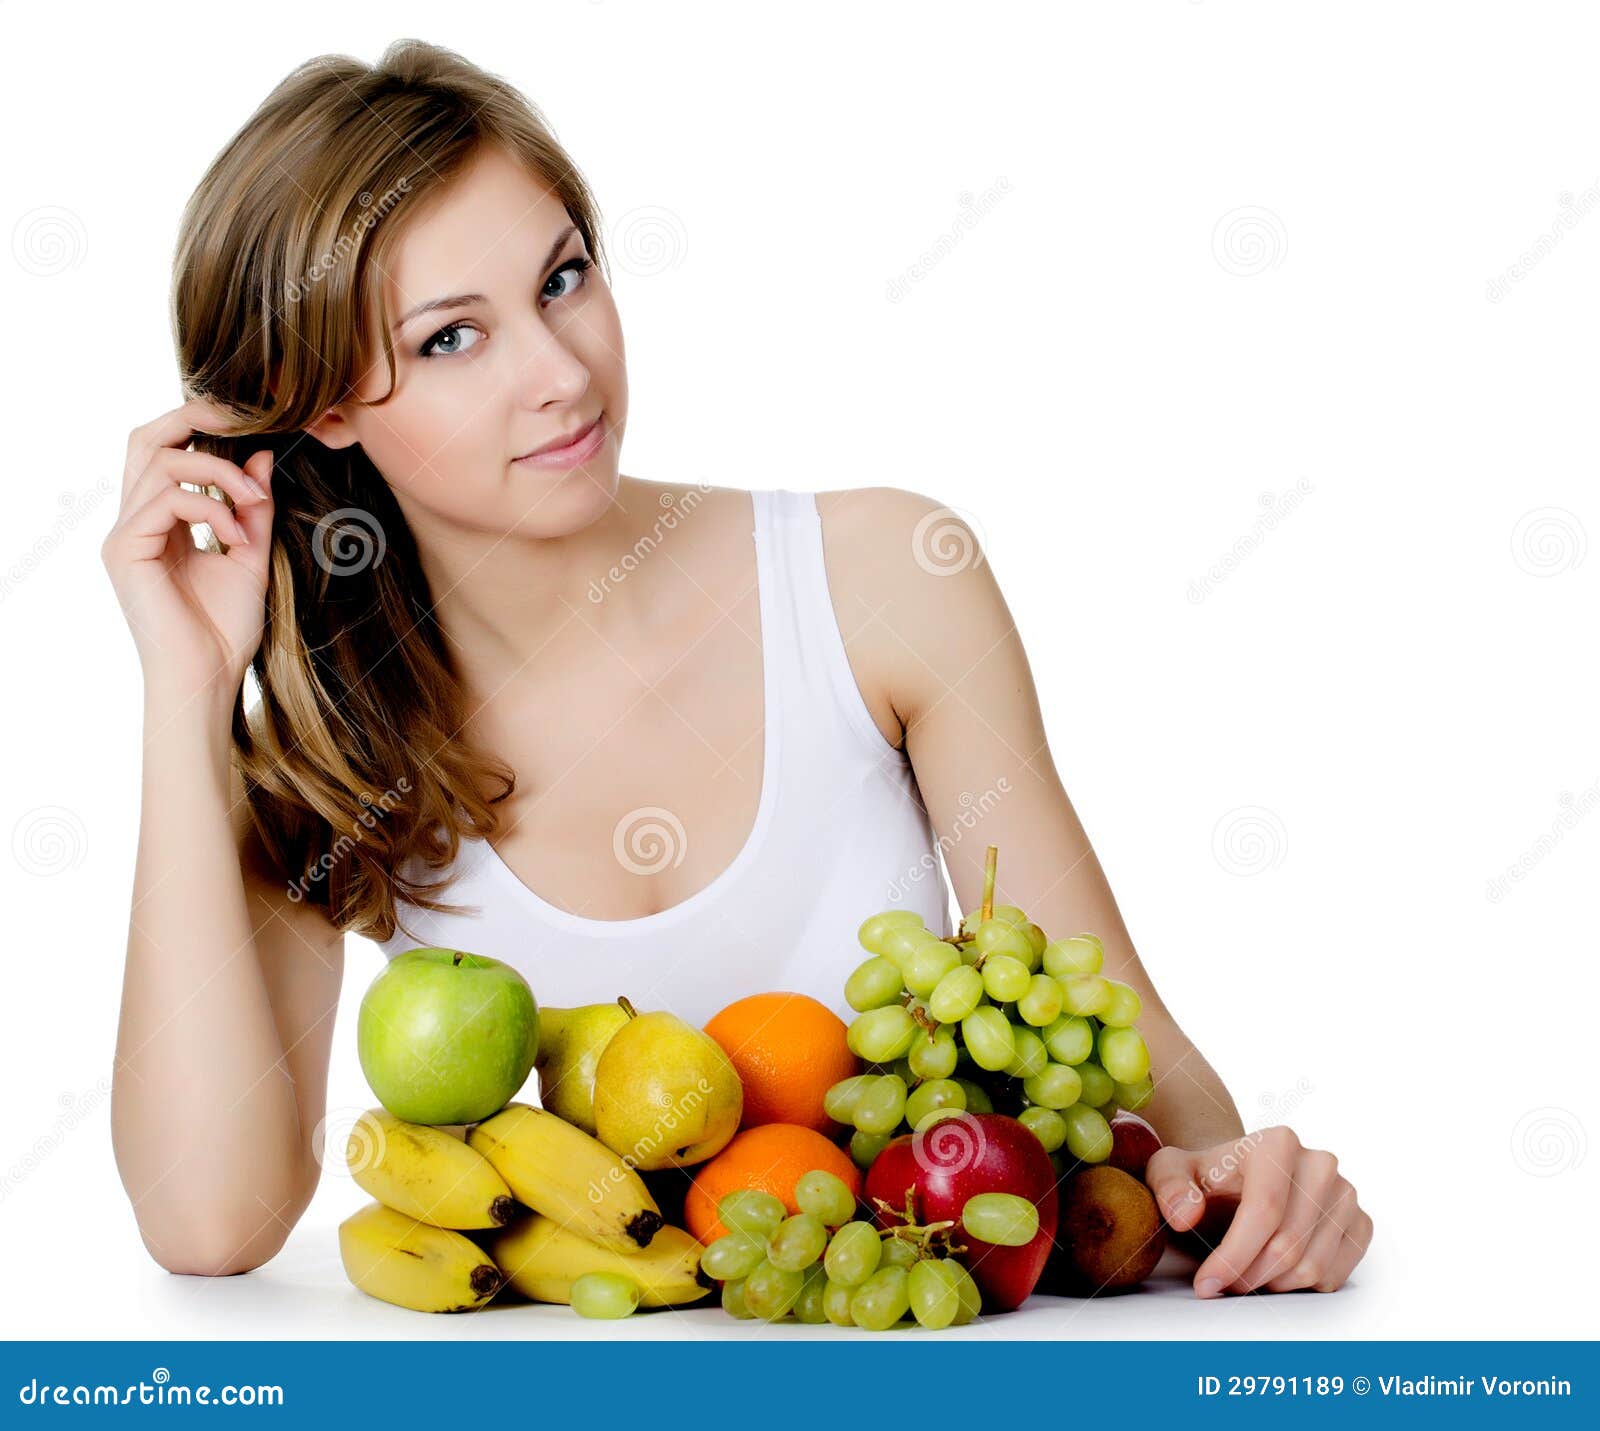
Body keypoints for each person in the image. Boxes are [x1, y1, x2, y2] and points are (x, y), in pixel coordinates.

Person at [103, 39, 1371, 1298]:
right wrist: (185, 687)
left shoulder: (882, 579)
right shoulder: (335, 745)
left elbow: (1118, 1057)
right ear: (321, 404)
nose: (561, 375)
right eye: (450, 339)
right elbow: (210, 1221)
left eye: (563, 278)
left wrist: (1238, 1178)